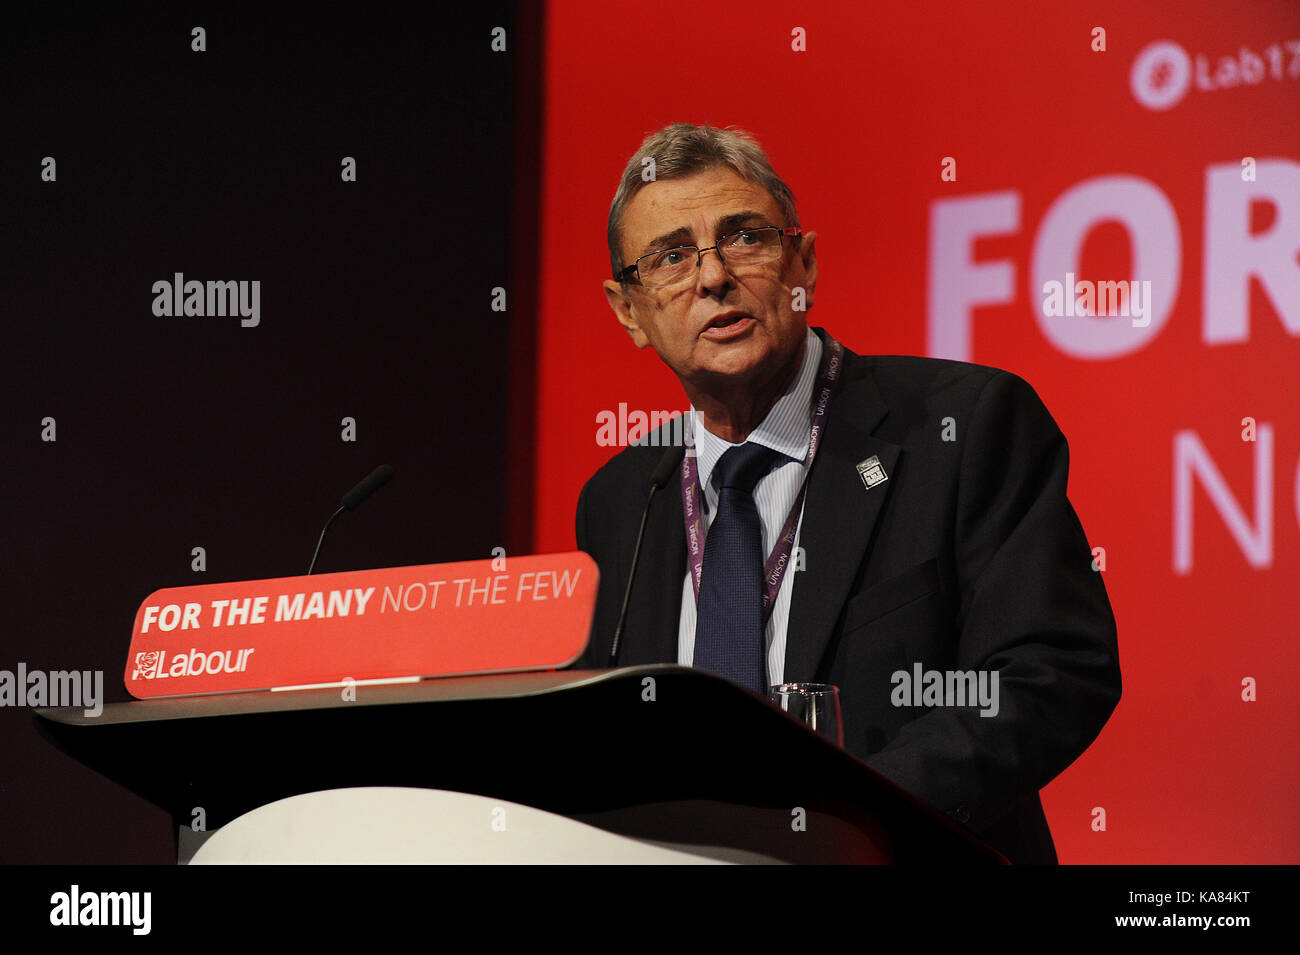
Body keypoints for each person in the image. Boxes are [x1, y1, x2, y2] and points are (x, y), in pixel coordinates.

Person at [573, 122, 1121, 864]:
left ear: (805, 263)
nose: (712, 277)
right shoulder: (620, 499)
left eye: (745, 238)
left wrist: (847, 820)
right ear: (628, 310)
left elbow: (1049, 670)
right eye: (671, 256)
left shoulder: (963, 427)